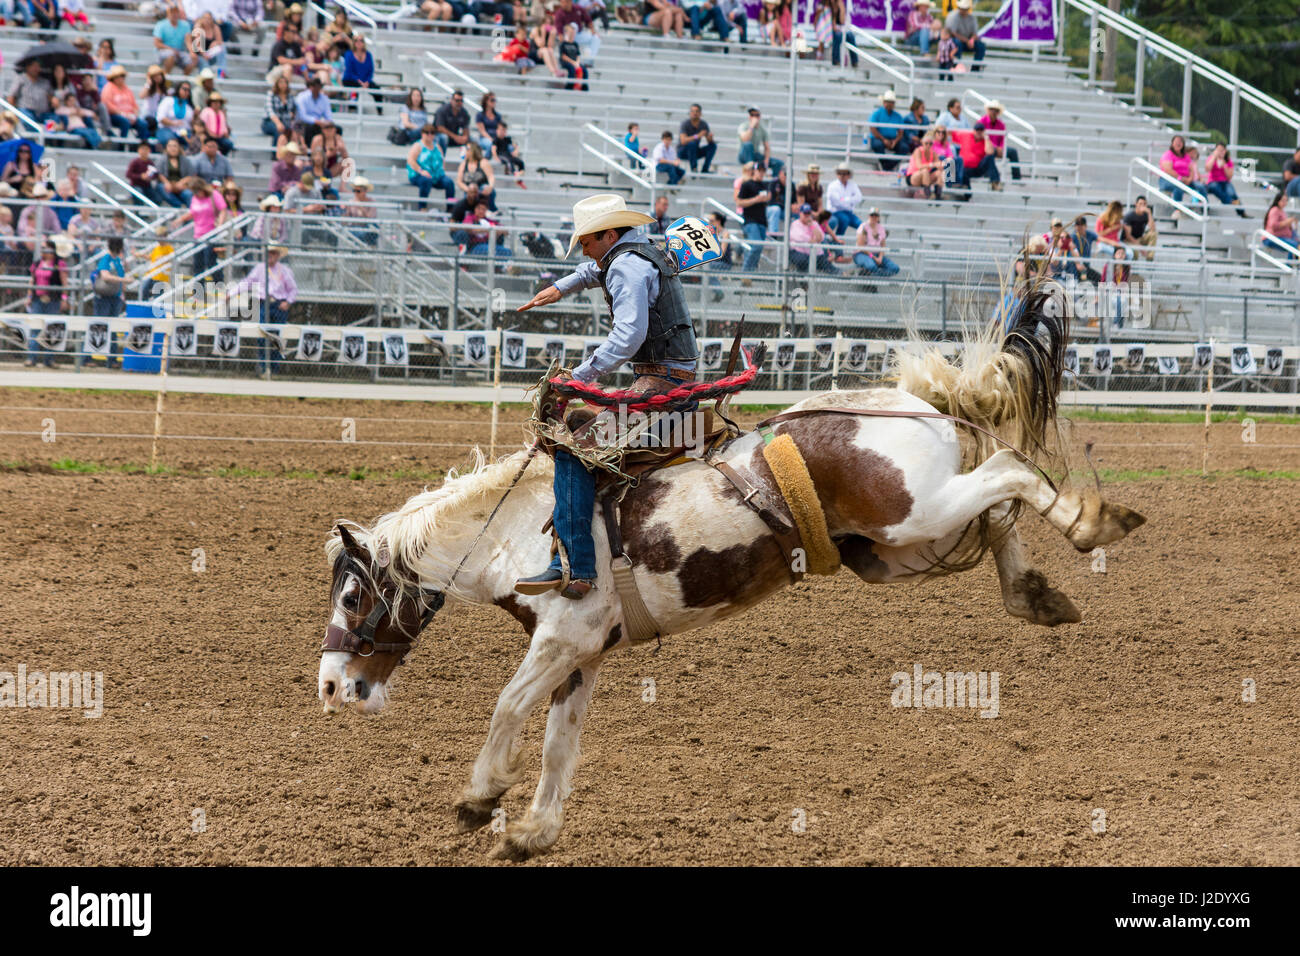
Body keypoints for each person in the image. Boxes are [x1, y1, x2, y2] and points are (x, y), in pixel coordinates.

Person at [513, 194, 699, 599]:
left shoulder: (625, 269)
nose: (584, 250)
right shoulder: (635, 254)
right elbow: (589, 271)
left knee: (572, 449)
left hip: (662, 386)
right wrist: (560, 288)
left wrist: (577, 377)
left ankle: (576, 567)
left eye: (586, 241)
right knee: (581, 427)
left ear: (609, 234)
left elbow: (629, 335)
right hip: (668, 377)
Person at [234, 244, 297, 374]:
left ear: (278, 255)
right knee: (262, 335)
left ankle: (274, 369)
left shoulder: (285, 271)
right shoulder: (259, 269)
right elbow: (247, 282)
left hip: (279, 305)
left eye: (273, 253)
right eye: (269, 253)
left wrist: (288, 302)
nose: (270, 256)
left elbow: (293, 289)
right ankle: (263, 367)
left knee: (277, 337)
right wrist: (232, 293)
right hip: (263, 303)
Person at [177, 176, 229, 279]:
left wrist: (220, 226)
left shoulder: (214, 195)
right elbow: (193, 212)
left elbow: (223, 209)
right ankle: (198, 293)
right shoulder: (195, 198)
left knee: (210, 262)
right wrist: (180, 219)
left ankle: (220, 286)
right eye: (194, 191)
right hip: (198, 235)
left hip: (211, 234)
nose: (195, 193)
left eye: (197, 191)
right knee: (198, 265)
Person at [407, 124, 455, 210]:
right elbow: (410, 160)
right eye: (427, 133)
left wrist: (441, 171)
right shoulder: (418, 146)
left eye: (432, 133)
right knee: (426, 181)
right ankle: (422, 206)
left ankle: (450, 208)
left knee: (449, 183)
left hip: (436, 175)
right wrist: (421, 171)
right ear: (422, 134)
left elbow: (442, 160)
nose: (430, 135)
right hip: (419, 175)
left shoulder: (437, 146)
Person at [736, 160, 769, 273]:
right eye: (759, 171)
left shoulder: (764, 185)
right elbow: (739, 202)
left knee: (757, 249)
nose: (761, 173)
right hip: (751, 221)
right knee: (756, 247)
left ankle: (749, 273)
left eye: (763, 171)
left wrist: (766, 199)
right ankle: (746, 273)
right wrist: (756, 199)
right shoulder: (747, 184)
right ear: (754, 171)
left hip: (762, 221)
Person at [102, 65, 150, 141]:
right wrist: (122, 113)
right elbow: (107, 104)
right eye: (120, 76)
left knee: (143, 124)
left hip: (129, 115)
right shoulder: (108, 87)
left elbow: (134, 104)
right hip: (114, 115)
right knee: (125, 122)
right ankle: (121, 145)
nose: (122, 78)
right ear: (114, 77)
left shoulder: (127, 89)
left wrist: (134, 115)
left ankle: (142, 146)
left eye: (123, 76)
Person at [789, 204, 838, 274]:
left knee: (825, 262)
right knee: (803, 261)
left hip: (813, 254)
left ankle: (843, 274)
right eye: (805, 213)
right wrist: (812, 240)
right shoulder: (795, 224)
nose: (807, 215)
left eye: (808, 213)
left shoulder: (814, 224)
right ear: (800, 213)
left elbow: (820, 238)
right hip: (798, 253)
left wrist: (812, 226)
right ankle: (803, 282)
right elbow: (799, 237)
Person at [1158, 135, 1207, 206]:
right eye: (1176, 141)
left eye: (1180, 142)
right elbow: (1168, 170)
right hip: (1168, 179)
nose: (1178, 143)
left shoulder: (1185, 156)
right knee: (1178, 187)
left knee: (1200, 186)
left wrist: (1189, 179)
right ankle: (1178, 209)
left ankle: (1205, 208)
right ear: (1172, 143)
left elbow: (1191, 169)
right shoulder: (1168, 155)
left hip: (1185, 179)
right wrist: (1180, 178)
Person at [980, 100, 1021, 183]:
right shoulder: (981, 122)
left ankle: (1016, 178)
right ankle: (992, 176)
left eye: (996, 110)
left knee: (1013, 152)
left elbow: (1002, 139)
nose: (994, 112)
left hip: (997, 148)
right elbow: (980, 138)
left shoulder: (1001, 124)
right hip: (986, 147)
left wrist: (1001, 148)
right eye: (992, 109)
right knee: (990, 152)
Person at [867, 91, 908, 171]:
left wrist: (895, 141)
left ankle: (888, 165)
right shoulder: (876, 113)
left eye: (891, 102)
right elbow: (873, 129)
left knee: (904, 147)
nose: (889, 104)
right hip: (879, 138)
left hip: (892, 138)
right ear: (883, 102)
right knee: (878, 145)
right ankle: (887, 165)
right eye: (888, 102)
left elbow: (901, 132)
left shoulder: (897, 116)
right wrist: (884, 139)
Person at [1204, 143, 1247, 216]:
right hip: (1213, 182)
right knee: (1214, 187)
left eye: (1222, 150)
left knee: (1232, 193)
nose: (1220, 152)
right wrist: (1214, 157)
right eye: (1219, 150)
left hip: (1225, 182)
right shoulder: (1211, 158)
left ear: (1225, 151)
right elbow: (1207, 169)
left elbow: (1229, 176)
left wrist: (1224, 166)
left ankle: (1241, 212)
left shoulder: (1228, 161)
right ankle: (1229, 201)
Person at [854, 208, 900, 277]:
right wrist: (874, 258)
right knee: (871, 266)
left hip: (877, 254)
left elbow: (883, 245)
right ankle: (870, 276)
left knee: (895, 269)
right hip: (862, 254)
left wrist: (880, 258)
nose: (874, 217)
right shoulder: (863, 226)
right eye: (872, 215)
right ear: (869, 216)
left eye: (876, 215)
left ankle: (870, 276)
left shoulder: (881, 228)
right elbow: (861, 247)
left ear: (878, 217)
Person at [737, 105, 782, 174]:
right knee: (748, 145)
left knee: (778, 163)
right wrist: (752, 126)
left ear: (759, 116)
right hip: (744, 155)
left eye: (756, 115)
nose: (754, 117)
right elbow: (745, 139)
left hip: (755, 155)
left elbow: (767, 147)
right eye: (752, 115)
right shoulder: (743, 126)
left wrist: (766, 163)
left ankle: (774, 183)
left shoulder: (762, 129)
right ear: (749, 116)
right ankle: (751, 171)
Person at [153, 4, 197, 74]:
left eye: (176, 12)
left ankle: (184, 81)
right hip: (164, 51)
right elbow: (157, 44)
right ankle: (166, 78)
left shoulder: (185, 25)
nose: (174, 14)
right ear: (168, 13)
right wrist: (171, 49)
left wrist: (192, 53)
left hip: (179, 52)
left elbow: (188, 41)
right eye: (172, 12)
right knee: (171, 55)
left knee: (193, 59)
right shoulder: (160, 24)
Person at [342, 34, 381, 111]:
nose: (359, 42)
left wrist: (367, 81)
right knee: (354, 89)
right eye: (356, 40)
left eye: (361, 40)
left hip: (365, 81)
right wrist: (359, 81)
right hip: (350, 79)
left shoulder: (368, 55)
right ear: (353, 42)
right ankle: (352, 109)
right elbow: (350, 72)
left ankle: (380, 111)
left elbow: (370, 71)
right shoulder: (348, 54)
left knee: (377, 90)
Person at [156, 79, 197, 150]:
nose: (186, 92)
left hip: (184, 132)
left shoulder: (189, 106)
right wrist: (173, 123)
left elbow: (191, 124)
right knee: (171, 141)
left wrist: (196, 116)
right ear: (178, 89)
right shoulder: (168, 100)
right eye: (184, 89)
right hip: (166, 129)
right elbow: (160, 118)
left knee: (194, 142)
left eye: (188, 90)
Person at [959, 123, 1001, 191]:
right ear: (974, 131)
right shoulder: (966, 136)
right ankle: (966, 194)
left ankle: (995, 183)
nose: (979, 132)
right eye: (977, 130)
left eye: (981, 130)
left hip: (978, 168)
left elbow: (990, 152)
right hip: (966, 168)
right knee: (961, 171)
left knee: (989, 157)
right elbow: (951, 134)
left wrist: (986, 138)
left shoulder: (986, 141)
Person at [825, 162, 863, 235]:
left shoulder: (852, 185)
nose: (842, 175)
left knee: (861, 226)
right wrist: (850, 201)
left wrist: (844, 199)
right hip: (834, 212)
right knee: (845, 220)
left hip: (847, 212)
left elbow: (859, 197)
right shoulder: (832, 185)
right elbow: (836, 202)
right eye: (840, 173)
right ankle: (838, 240)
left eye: (844, 173)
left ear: (848, 175)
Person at [945, 0, 984, 71]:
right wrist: (968, 41)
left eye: (965, 9)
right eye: (962, 8)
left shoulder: (972, 18)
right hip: (957, 41)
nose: (963, 10)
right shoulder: (954, 17)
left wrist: (971, 41)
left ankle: (976, 68)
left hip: (967, 41)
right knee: (957, 43)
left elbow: (974, 33)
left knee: (981, 45)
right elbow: (953, 33)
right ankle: (956, 65)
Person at [295, 74, 333, 147]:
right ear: (310, 87)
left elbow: (328, 115)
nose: (315, 88)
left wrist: (328, 123)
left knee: (336, 128)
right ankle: (310, 149)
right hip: (303, 123)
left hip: (318, 123)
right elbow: (302, 116)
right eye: (313, 86)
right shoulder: (302, 97)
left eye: (317, 86)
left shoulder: (324, 98)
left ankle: (329, 150)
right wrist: (317, 121)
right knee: (310, 128)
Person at [457, 142, 497, 210]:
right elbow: (459, 181)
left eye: (467, 149)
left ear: (473, 150)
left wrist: (490, 186)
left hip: (481, 189)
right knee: (470, 193)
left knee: (487, 190)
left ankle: (491, 210)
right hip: (469, 190)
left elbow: (491, 176)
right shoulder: (463, 164)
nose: (465, 150)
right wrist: (468, 189)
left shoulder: (483, 162)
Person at [158, 137, 196, 207]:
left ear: (179, 147)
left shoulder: (185, 160)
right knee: (162, 187)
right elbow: (159, 174)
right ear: (166, 148)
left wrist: (181, 182)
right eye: (170, 146)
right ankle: (179, 206)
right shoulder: (162, 160)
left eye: (175, 146)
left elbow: (191, 174)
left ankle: (191, 212)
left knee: (188, 194)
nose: (172, 148)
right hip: (167, 184)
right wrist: (167, 183)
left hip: (182, 185)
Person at [906, 131, 945, 199]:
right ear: (922, 143)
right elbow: (919, 166)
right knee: (925, 171)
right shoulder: (918, 151)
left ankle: (938, 195)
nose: (928, 145)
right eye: (926, 143)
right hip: (913, 176)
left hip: (925, 177)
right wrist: (933, 164)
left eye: (930, 144)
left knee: (939, 173)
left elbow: (939, 165)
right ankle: (928, 195)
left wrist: (940, 165)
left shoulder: (933, 153)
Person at [433, 89, 471, 155]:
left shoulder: (464, 112)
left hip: (455, 137)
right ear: (451, 100)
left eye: (461, 101)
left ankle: (468, 162)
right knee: (443, 137)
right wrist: (455, 137)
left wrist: (465, 137)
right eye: (457, 100)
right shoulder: (442, 110)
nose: (459, 103)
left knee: (473, 140)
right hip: (439, 136)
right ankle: (441, 159)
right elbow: (440, 128)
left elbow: (466, 127)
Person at [264, 71, 296, 146]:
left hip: (286, 121)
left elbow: (292, 112)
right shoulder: (271, 94)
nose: (283, 85)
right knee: (278, 130)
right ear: (277, 84)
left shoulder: (290, 97)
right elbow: (270, 112)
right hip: (270, 122)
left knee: (295, 131)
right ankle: (276, 154)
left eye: (285, 83)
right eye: (281, 82)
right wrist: (278, 123)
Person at [1263, 190, 1297, 259]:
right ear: (1278, 200)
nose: (1285, 203)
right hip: (1272, 237)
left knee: (1297, 244)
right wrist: (1287, 222)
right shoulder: (1275, 210)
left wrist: (1290, 225)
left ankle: (1294, 265)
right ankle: (1290, 266)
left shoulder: (1282, 211)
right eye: (1283, 200)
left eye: (1286, 201)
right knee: (1294, 246)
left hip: (1282, 237)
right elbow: (1273, 226)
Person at [1122, 196, 1156, 260]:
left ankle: (1149, 258)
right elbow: (1128, 236)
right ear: (1136, 204)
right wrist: (1140, 247)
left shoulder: (1146, 215)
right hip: (1129, 241)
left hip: (1139, 239)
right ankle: (1134, 267)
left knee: (1153, 234)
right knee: (1135, 250)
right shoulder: (1129, 216)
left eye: (1144, 204)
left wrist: (1149, 213)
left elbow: (1153, 229)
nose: (1142, 205)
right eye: (1140, 203)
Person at [1067, 213, 1099, 283]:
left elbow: (1100, 238)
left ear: (1085, 226)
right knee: (1079, 281)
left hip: (1085, 266)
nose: (1079, 227)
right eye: (1078, 225)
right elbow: (1073, 250)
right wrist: (1078, 264)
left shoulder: (1089, 234)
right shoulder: (1073, 236)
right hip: (1074, 266)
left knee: (1099, 279)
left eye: (1082, 224)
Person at [492, 120, 525, 185]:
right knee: (509, 161)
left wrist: (516, 151)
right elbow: (493, 149)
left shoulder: (507, 139)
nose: (502, 132)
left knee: (520, 162)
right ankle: (514, 174)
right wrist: (495, 157)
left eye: (504, 130)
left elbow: (515, 145)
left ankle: (519, 174)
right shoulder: (496, 140)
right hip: (501, 155)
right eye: (500, 130)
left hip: (508, 154)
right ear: (497, 130)